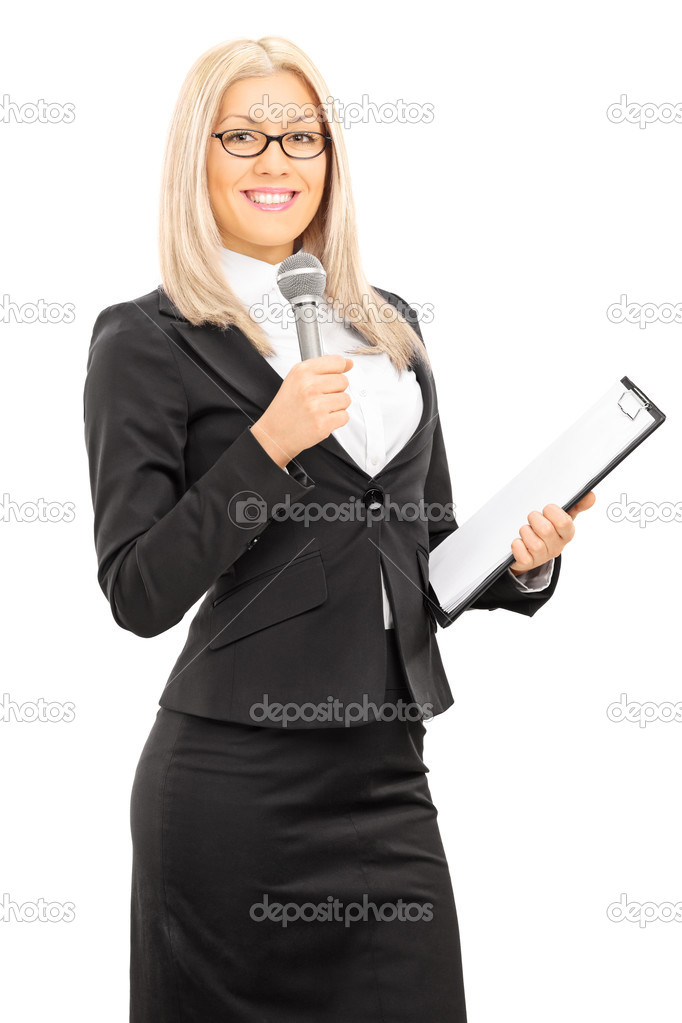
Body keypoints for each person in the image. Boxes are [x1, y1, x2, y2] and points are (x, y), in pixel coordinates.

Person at [83, 36, 595, 1023]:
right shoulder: (145, 339)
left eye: (299, 136)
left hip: (385, 781)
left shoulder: (390, 324)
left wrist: (522, 564)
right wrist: (267, 446)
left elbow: (422, 551)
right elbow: (136, 593)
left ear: (329, 157)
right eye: (242, 135)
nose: (274, 160)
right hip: (231, 789)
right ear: (198, 156)